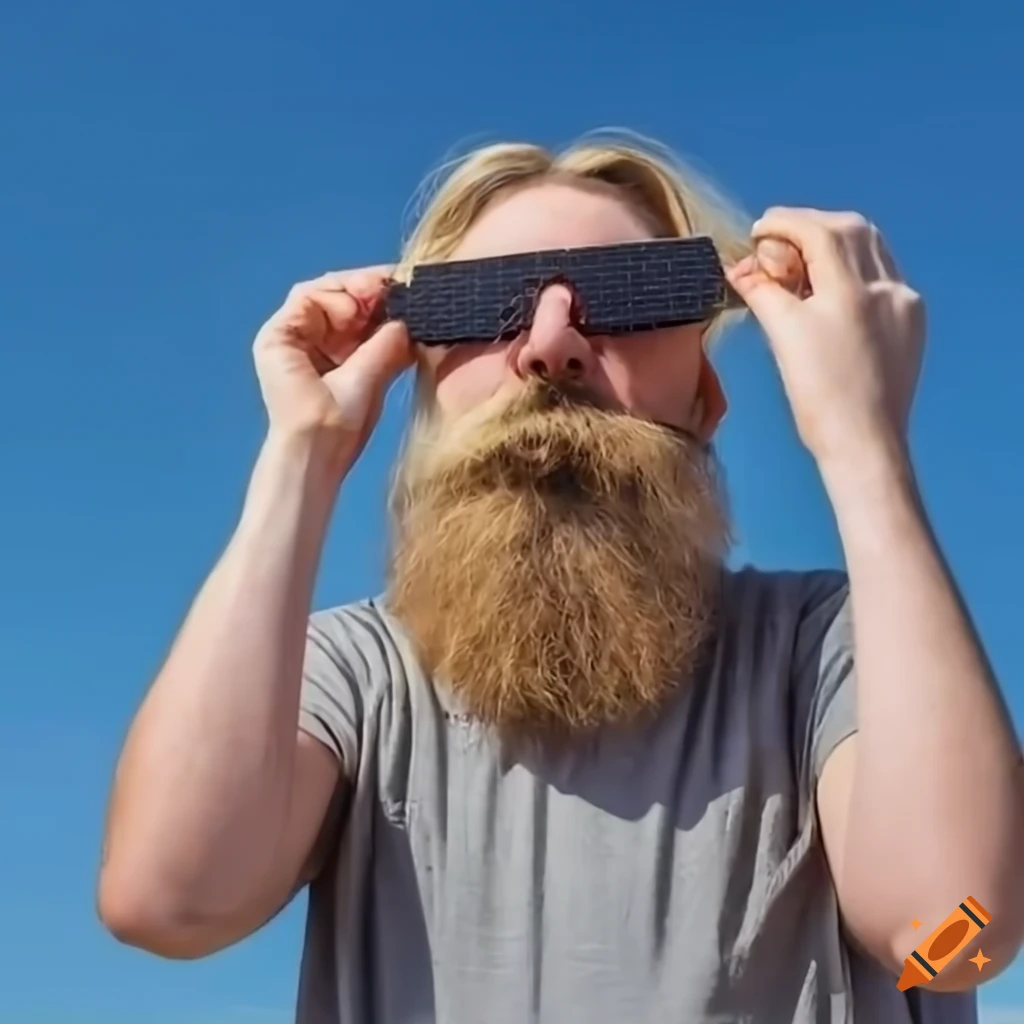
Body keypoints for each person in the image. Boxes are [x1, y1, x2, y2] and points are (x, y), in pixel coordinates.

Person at [97, 132, 1023, 1023]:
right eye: (482, 303)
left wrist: (865, 445)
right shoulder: (356, 677)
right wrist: (302, 456)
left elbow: (956, 938)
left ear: (706, 401)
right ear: (420, 381)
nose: (551, 345)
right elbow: (167, 904)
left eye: (628, 297)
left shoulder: (829, 651)